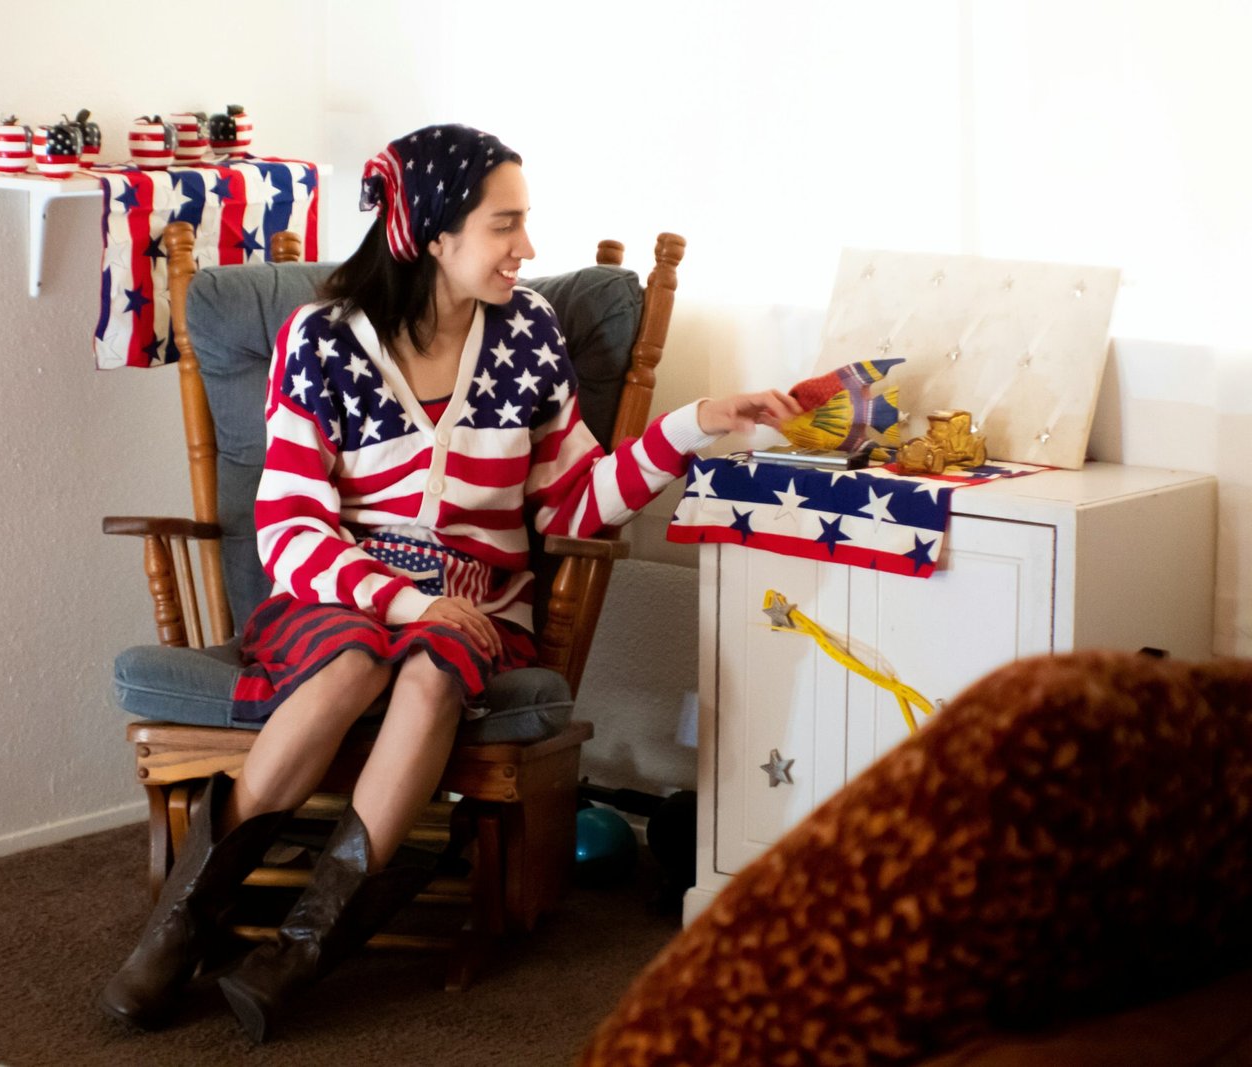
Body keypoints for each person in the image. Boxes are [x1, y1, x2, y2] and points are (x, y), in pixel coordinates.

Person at [99, 123, 800, 1041]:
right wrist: (403, 597)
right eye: (504, 225)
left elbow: (573, 502)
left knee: (433, 666)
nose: (526, 248)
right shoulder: (323, 339)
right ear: (432, 233)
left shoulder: (527, 335)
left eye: (525, 223)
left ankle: (303, 946)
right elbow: (291, 525)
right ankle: (184, 921)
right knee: (355, 661)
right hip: (335, 594)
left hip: (474, 607)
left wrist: (693, 423)